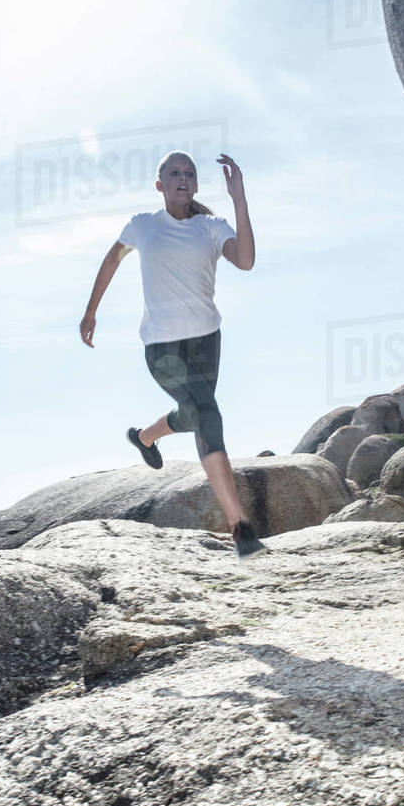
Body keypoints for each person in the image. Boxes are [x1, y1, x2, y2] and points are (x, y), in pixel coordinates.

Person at [79, 150, 266, 561]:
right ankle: (241, 529)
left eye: (189, 173)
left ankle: (144, 438)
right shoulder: (143, 225)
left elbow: (247, 261)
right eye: (174, 173)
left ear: (197, 186)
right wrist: (91, 311)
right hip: (162, 347)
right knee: (207, 414)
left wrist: (239, 199)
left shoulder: (212, 227)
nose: (183, 178)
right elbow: (112, 260)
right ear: (160, 184)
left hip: (206, 342)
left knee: (195, 413)